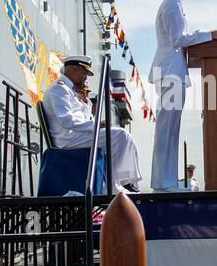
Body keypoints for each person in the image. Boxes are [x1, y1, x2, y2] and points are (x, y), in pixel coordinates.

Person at [149, 0, 217, 190]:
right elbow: (178, 38)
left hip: (170, 70)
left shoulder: (173, 5)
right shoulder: (172, 5)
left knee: (169, 127)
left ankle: (164, 179)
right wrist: (209, 35)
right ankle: (163, 181)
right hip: (170, 71)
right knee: (167, 128)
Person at [42, 55, 143, 190]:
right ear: (73, 69)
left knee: (125, 136)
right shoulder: (59, 89)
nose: (85, 77)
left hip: (74, 136)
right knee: (120, 136)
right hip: (67, 139)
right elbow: (67, 120)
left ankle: (125, 182)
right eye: (84, 72)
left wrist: (96, 124)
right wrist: (96, 126)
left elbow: (80, 119)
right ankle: (112, 186)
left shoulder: (69, 91)